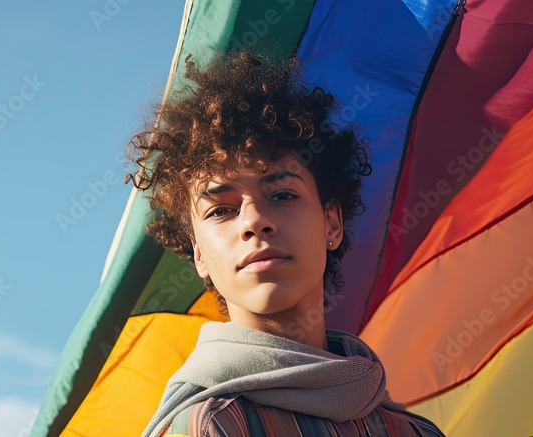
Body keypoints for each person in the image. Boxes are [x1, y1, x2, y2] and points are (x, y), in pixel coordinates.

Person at [127, 51, 445, 437]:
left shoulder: (415, 432)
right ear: (199, 255)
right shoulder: (208, 426)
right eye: (221, 210)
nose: (254, 221)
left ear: (331, 222)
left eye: (281, 195)